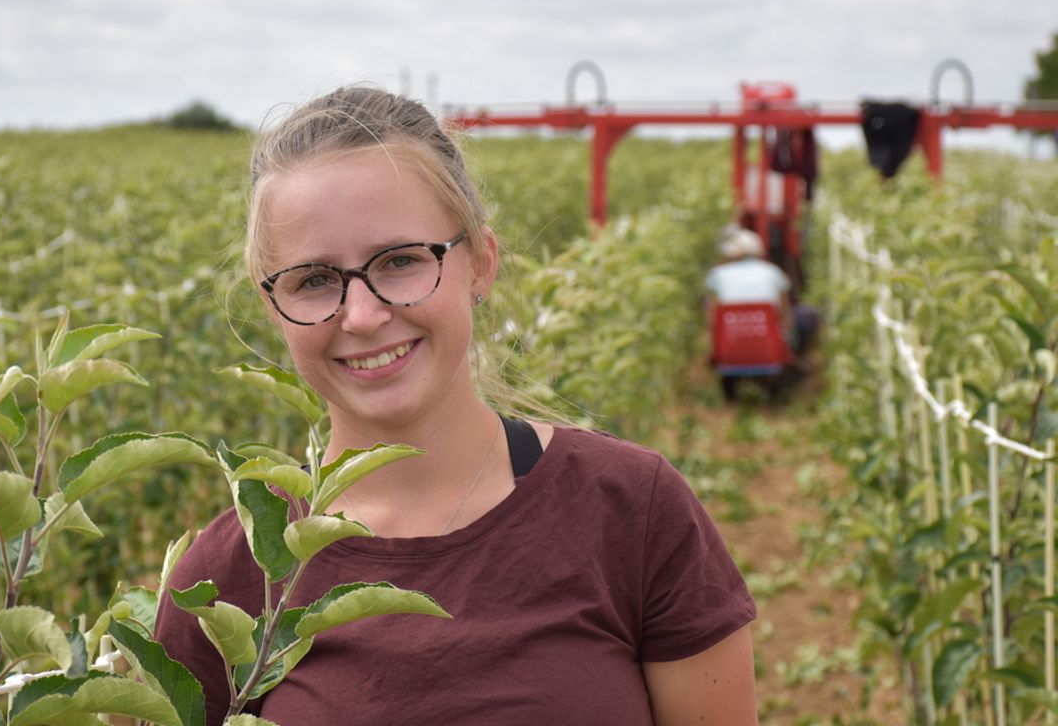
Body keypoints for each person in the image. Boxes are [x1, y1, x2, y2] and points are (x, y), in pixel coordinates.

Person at [154, 86, 757, 725]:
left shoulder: (631, 511)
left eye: (400, 261)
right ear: (274, 306)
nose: (362, 315)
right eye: (315, 280)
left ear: (481, 264)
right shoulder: (224, 584)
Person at [705, 227, 816, 354]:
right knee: (807, 315)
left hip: (729, 348)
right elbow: (785, 315)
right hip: (769, 349)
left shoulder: (717, 274)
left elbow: (712, 315)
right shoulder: (773, 272)